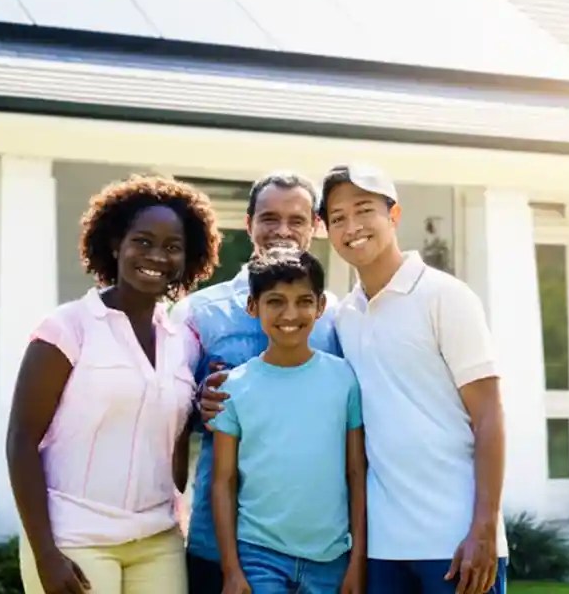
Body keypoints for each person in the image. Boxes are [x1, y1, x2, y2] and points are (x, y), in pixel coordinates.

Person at [7, 174, 222, 594]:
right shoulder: (67, 328)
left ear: (188, 257)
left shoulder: (183, 341)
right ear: (114, 244)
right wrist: (44, 553)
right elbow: (20, 440)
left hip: (157, 539)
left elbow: (174, 446)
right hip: (75, 537)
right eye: (142, 241)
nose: (156, 255)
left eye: (172, 246)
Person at [319, 164, 508, 594]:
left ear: (394, 215)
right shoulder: (345, 317)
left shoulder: (446, 297)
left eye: (364, 210)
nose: (352, 227)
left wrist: (484, 528)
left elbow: (490, 418)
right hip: (384, 547)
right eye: (337, 218)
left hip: (456, 539)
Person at [173, 171, 343, 593]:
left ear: (315, 227)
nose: (282, 231)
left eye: (296, 220)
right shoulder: (200, 314)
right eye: (269, 218)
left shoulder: (336, 319)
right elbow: (167, 408)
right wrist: (198, 406)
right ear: (248, 224)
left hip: (314, 545)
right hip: (220, 541)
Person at [209, 249, 367, 594]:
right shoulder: (234, 387)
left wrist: (357, 562)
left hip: (331, 560)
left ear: (320, 306)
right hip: (259, 556)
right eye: (276, 301)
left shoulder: (344, 378)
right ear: (253, 307)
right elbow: (224, 481)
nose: (290, 314)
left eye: (303, 301)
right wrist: (231, 569)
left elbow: (356, 473)